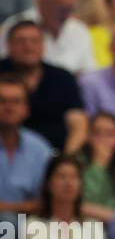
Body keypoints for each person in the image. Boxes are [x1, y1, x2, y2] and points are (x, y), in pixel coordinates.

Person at [0, 19, 88, 154]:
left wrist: (64, 162)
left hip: (55, 155)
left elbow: (79, 125)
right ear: (9, 45)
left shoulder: (62, 78)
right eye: (21, 41)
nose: (28, 47)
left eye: (34, 41)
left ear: (43, 46)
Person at [0, 75, 53, 223]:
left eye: (16, 102)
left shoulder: (40, 149)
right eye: (2, 101)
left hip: (30, 227)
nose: (8, 107)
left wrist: (7, 208)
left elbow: (46, 201)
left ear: (26, 109)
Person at [74, 111, 115, 213]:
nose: (102, 139)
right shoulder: (77, 162)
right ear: (88, 137)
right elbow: (88, 199)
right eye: (96, 133)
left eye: (109, 134)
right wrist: (98, 166)